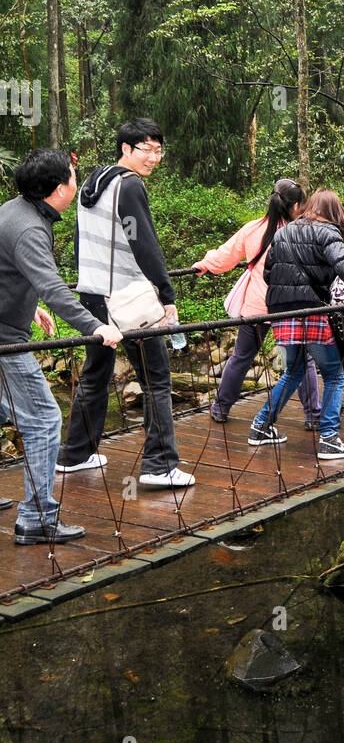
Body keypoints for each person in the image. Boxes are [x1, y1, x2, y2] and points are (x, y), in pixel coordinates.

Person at [56, 119, 195, 490]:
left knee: (96, 374)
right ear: (126, 149)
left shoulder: (92, 184)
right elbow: (144, 243)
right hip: (126, 299)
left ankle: (75, 455)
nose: (154, 157)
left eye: (158, 149)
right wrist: (166, 294)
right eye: (146, 149)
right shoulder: (129, 185)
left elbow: (80, 241)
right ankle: (159, 464)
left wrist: (89, 285)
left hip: (93, 295)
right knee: (157, 378)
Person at [0, 150, 122, 545]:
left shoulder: (14, 211)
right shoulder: (30, 229)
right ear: (58, 190)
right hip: (4, 340)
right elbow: (54, 287)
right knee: (43, 421)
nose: (75, 182)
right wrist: (96, 326)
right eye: (72, 177)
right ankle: (35, 518)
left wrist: (29, 303)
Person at [249, 190, 344, 458]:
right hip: (310, 309)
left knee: (293, 371)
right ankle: (329, 438)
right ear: (335, 211)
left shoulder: (284, 231)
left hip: (280, 310)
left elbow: (268, 272)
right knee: (334, 374)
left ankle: (260, 427)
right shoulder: (328, 232)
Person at [192, 180, 321, 429]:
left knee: (241, 357)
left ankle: (220, 407)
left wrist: (205, 264)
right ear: (295, 206)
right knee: (302, 362)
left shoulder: (253, 228)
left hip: (256, 306)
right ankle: (313, 416)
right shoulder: (302, 232)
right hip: (289, 308)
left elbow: (225, 256)